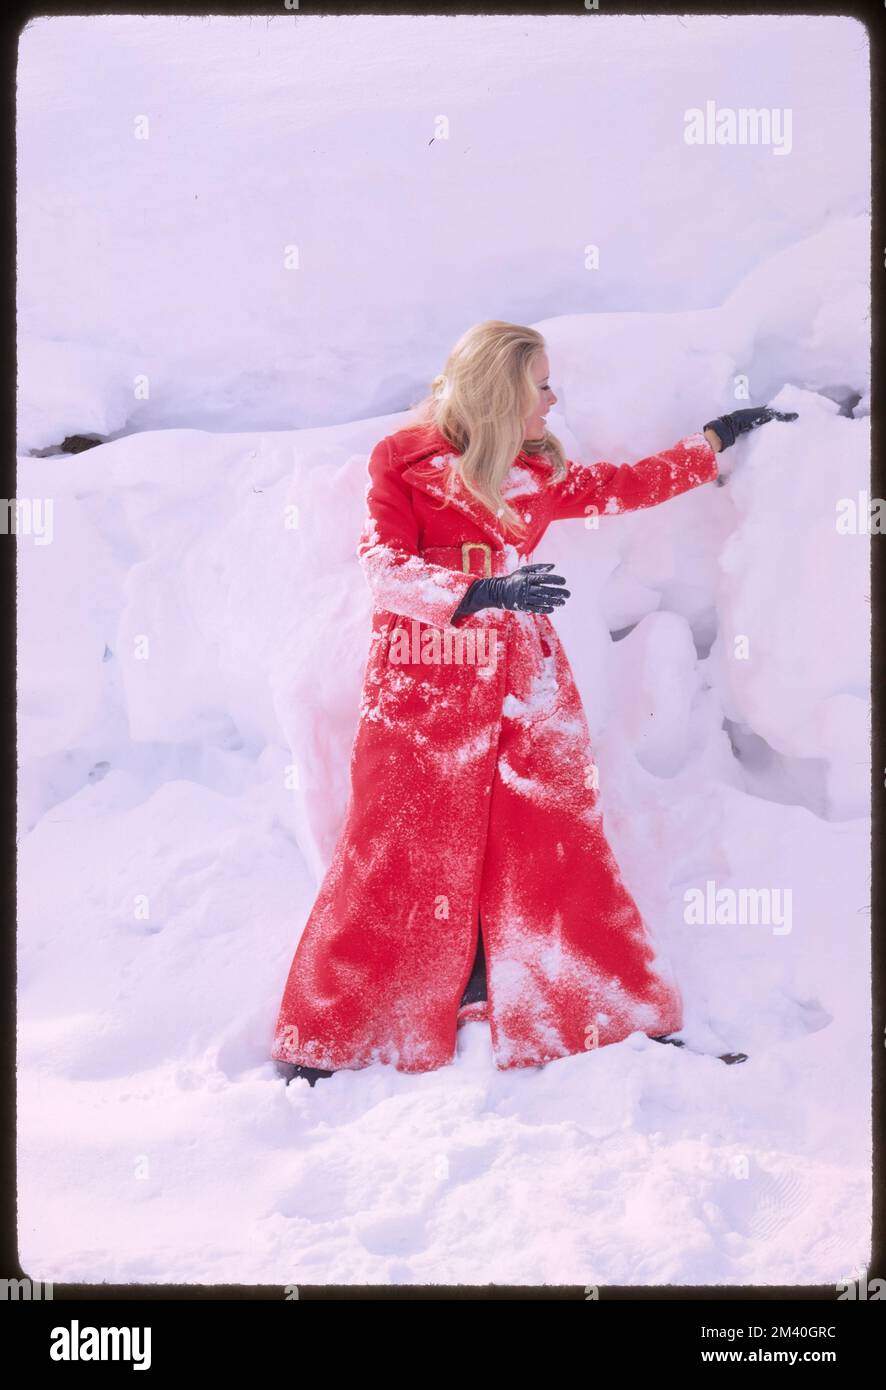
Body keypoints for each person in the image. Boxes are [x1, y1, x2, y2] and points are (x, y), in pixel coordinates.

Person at [271, 320, 797, 1085]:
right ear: (499, 390)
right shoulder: (403, 460)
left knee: (553, 840)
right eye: (540, 385)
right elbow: (383, 567)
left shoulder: (536, 471)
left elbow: (626, 485)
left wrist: (714, 441)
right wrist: (480, 588)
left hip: (524, 678)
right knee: (397, 846)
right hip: (421, 676)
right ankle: (343, 1031)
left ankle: (588, 1008)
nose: (552, 400)